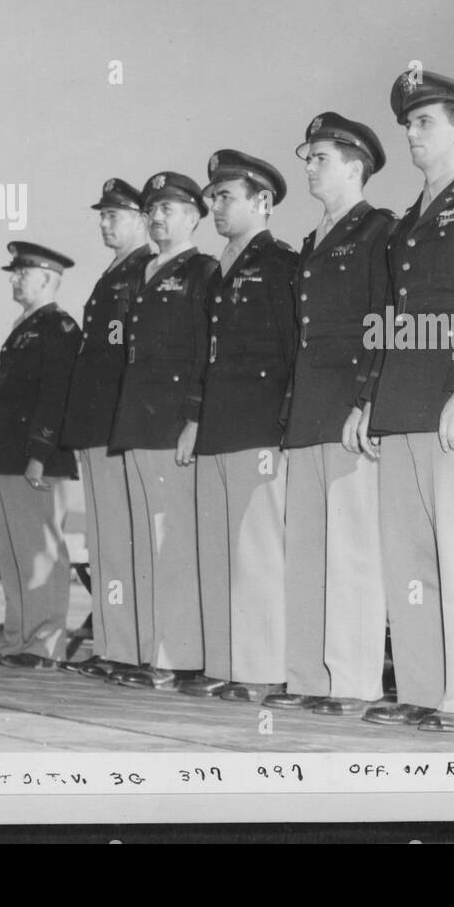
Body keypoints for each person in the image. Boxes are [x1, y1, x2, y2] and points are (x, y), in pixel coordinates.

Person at [353, 70, 454, 733]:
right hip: (402, 399)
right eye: (408, 124)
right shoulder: (406, 221)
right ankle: (419, 686)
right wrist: (368, 399)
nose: (411, 134)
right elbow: (387, 316)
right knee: (407, 554)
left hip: (449, 399)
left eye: (425, 123)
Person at [264, 113, 394, 717]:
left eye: (319, 157)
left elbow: (385, 322)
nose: (309, 166)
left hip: (347, 407)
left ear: (354, 163)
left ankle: (354, 682)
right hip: (309, 409)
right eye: (307, 156)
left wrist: (365, 400)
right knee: (307, 552)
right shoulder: (314, 240)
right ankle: (308, 678)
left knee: (351, 552)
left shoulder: (378, 230)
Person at [174, 150, 299, 705]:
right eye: (213, 196)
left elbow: (295, 345)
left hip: (258, 426)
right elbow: (207, 353)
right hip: (219, 426)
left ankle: (263, 667)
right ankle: (226, 664)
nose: (214, 205)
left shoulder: (278, 263)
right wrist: (195, 420)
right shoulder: (219, 268)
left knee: (257, 553)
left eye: (226, 196)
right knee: (219, 552)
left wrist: (284, 424)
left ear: (262, 202)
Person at [106, 171, 218, 690]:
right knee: (145, 548)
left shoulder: (203, 270)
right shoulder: (144, 271)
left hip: (172, 423)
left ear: (195, 216)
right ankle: (153, 653)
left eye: (169, 209)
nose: (156, 218)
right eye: (152, 209)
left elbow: (203, 351)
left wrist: (194, 418)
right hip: (136, 420)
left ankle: (178, 658)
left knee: (173, 545)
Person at [0, 242, 82, 670]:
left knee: (40, 554)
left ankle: (44, 645)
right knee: (15, 554)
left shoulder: (59, 327)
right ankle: (17, 640)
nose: (15, 278)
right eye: (14, 272)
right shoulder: (26, 325)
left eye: (23, 271)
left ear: (48, 277)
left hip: (35, 458)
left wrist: (40, 452)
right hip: (7, 456)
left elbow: (57, 395)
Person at [59, 178, 154, 679]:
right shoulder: (111, 275)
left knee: (126, 540)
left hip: (120, 425)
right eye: (101, 214)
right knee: (104, 544)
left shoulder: (145, 270)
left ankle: (131, 649)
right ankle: (112, 647)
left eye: (114, 214)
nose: (103, 222)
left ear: (142, 218)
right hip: (96, 426)